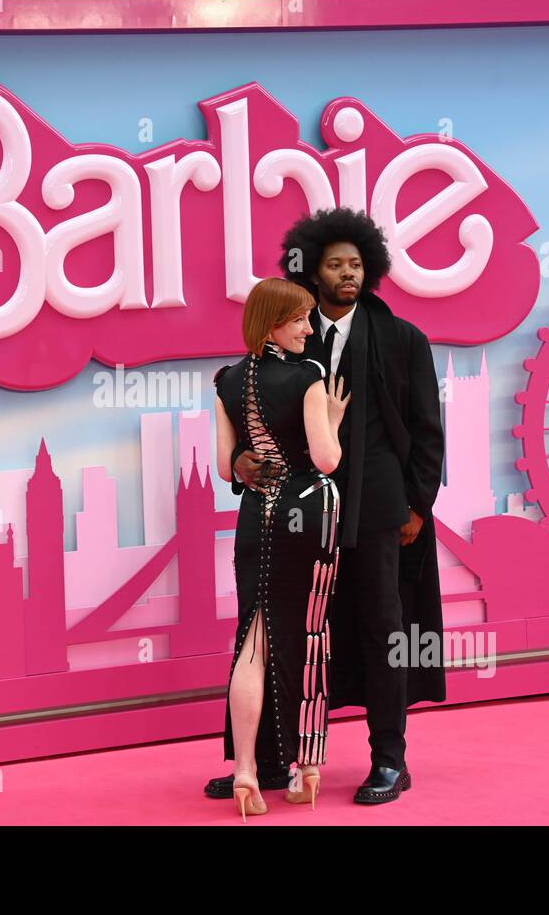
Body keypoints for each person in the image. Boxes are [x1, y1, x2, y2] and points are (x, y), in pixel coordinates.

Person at [205, 206, 447, 806]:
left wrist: (416, 506)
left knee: (382, 629)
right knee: (273, 630)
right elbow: (246, 431)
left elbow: (427, 432)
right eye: (336, 264)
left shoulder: (401, 339)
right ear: (312, 270)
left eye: (357, 264)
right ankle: (258, 762)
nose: (348, 273)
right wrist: (239, 465)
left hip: (377, 514)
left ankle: (389, 760)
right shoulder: (280, 343)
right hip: (294, 520)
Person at [212, 277, 350, 819]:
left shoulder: (226, 381)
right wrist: (334, 421)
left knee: (253, 637)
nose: (309, 328)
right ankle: (306, 769)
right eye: (299, 320)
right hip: (308, 512)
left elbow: (229, 468)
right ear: (272, 323)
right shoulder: (309, 376)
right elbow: (327, 459)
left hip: (256, 519)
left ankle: (245, 770)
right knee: (310, 629)